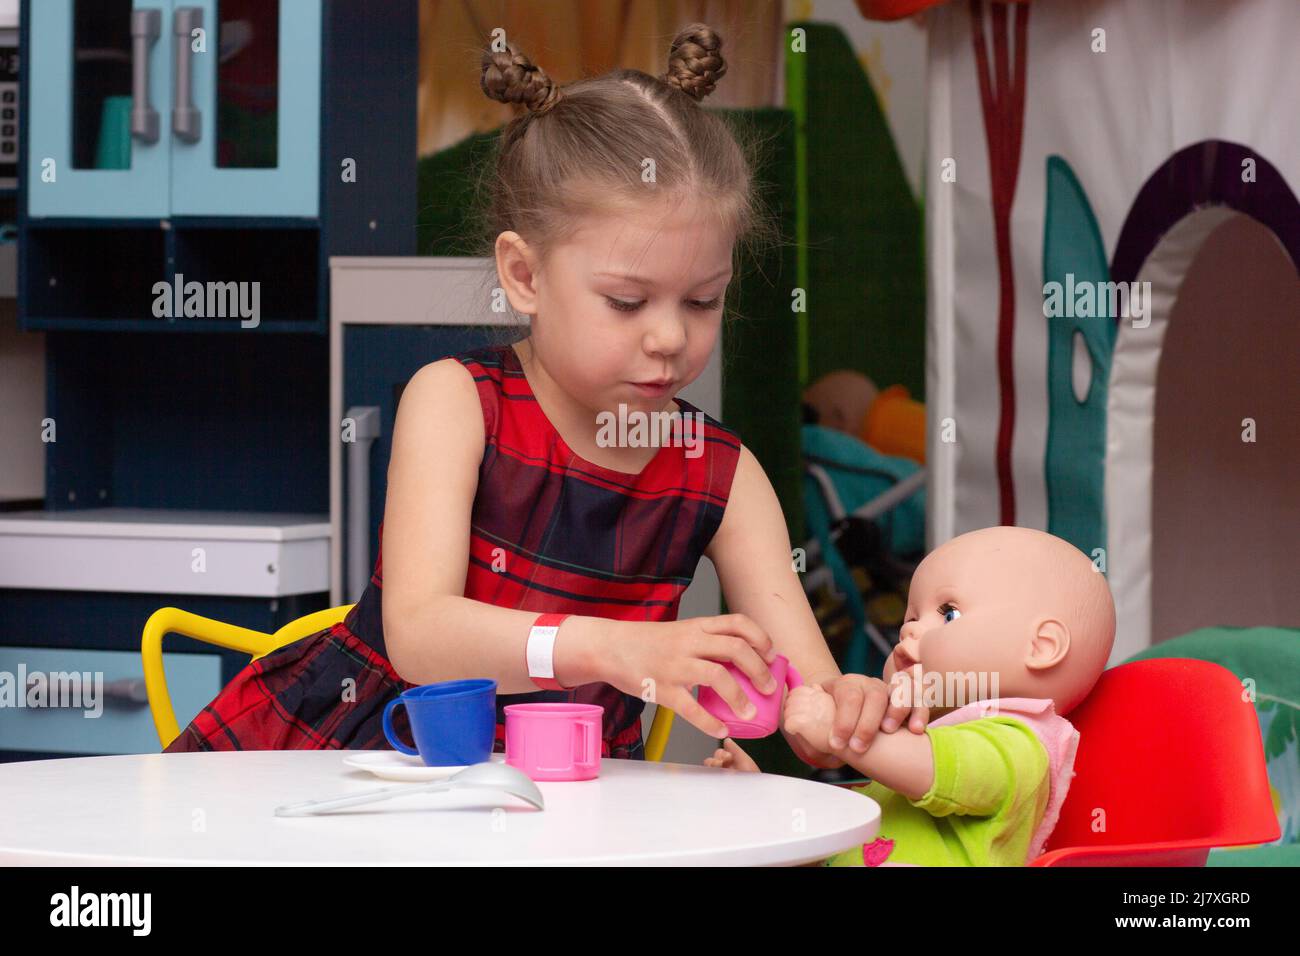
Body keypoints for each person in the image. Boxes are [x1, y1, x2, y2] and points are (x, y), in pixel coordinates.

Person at [165, 24, 891, 765]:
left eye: (702, 301)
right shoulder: (456, 402)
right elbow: (418, 635)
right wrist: (612, 648)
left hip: (561, 794)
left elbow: (811, 699)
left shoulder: (722, 473)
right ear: (525, 276)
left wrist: (842, 714)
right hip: (354, 757)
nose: (670, 337)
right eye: (627, 301)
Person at [706, 526, 1116, 865]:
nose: (909, 630)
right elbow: (842, 846)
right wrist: (763, 804)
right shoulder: (910, 744)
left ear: (1041, 647)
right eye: (912, 615)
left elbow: (935, 770)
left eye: (948, 613)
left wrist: (838, 733)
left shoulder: (1021, 744)